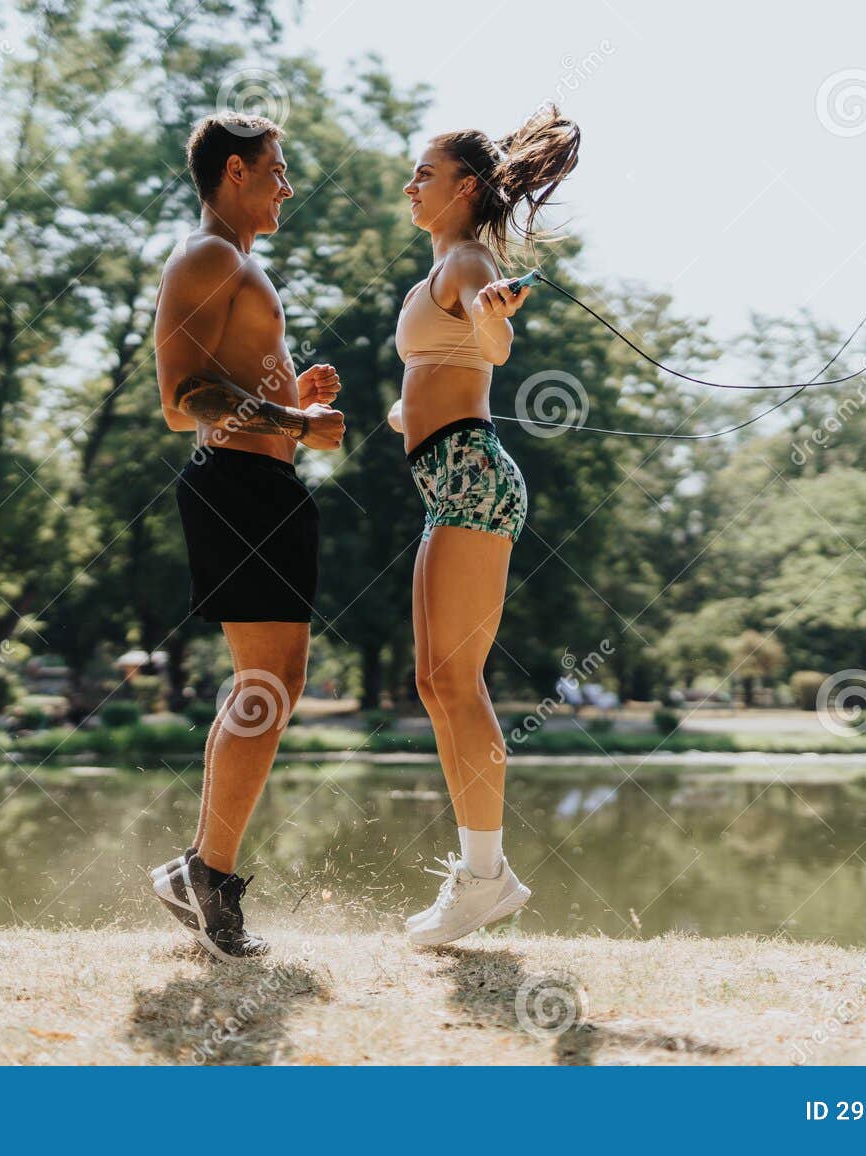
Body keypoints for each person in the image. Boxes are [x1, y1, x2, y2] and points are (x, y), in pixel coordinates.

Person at [149, 111, 346, 961]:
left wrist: (286, 396)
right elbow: (179, 396)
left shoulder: (238, 265)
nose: (287, 187)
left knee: (277, 683)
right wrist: (294, 417)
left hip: (264, 482)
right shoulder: (206, 257)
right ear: (235, 172)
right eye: (277, 170)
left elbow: (226, 380)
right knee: (265, 687)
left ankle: (203, 869)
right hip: (236, 487)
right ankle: (209, 876)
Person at [388, 102, 580, 947]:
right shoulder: (449, 264)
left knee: (450, 684)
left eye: (424, 173)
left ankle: (484, 877)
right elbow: (452, 363)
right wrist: (407, 415)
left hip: (469, 478)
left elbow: (489, 345)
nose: (410, 184)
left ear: (464, 188)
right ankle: (481, 875)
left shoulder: (468, 263)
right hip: (453, 477)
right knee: (439, 682)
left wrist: (493, 314)